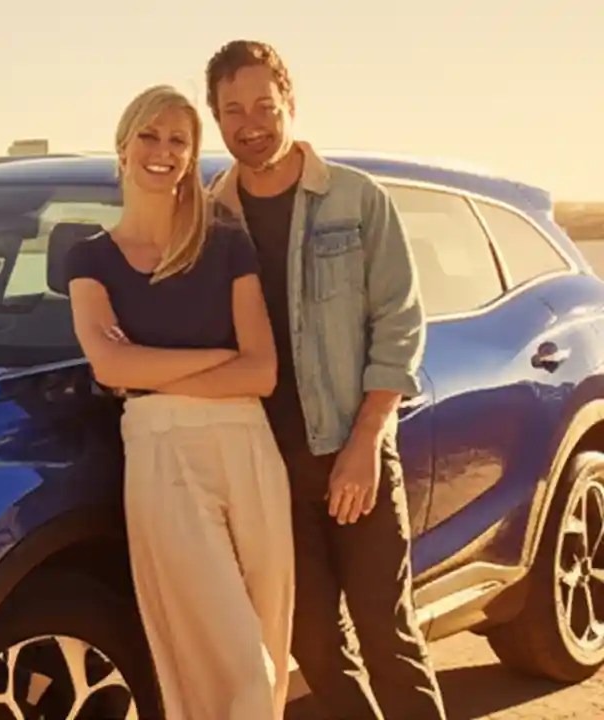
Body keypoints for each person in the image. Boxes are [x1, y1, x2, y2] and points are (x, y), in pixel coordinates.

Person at [202, 39, 448, 719]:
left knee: (385, 634)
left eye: (263, 105)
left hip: (352, 451)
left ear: (289, 102)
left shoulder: (355, 200)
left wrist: (367, 442)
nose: (251, 123)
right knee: (311, 644)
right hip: (267, 472)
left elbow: (399, 325)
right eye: (232, 110)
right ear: (216, 118)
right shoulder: (210, 216)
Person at [64, 84, 294, 720]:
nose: (162, 151)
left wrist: (149, 367)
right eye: (150, 135)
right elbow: (109, 363)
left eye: (177, 141)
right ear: (124, 144)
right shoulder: (90, 259)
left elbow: (265, 372)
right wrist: (219, 361)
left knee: (269, 643)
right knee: (237, 660)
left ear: (192, 157)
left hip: (249, 447)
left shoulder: (225, 244)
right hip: (164, 457)